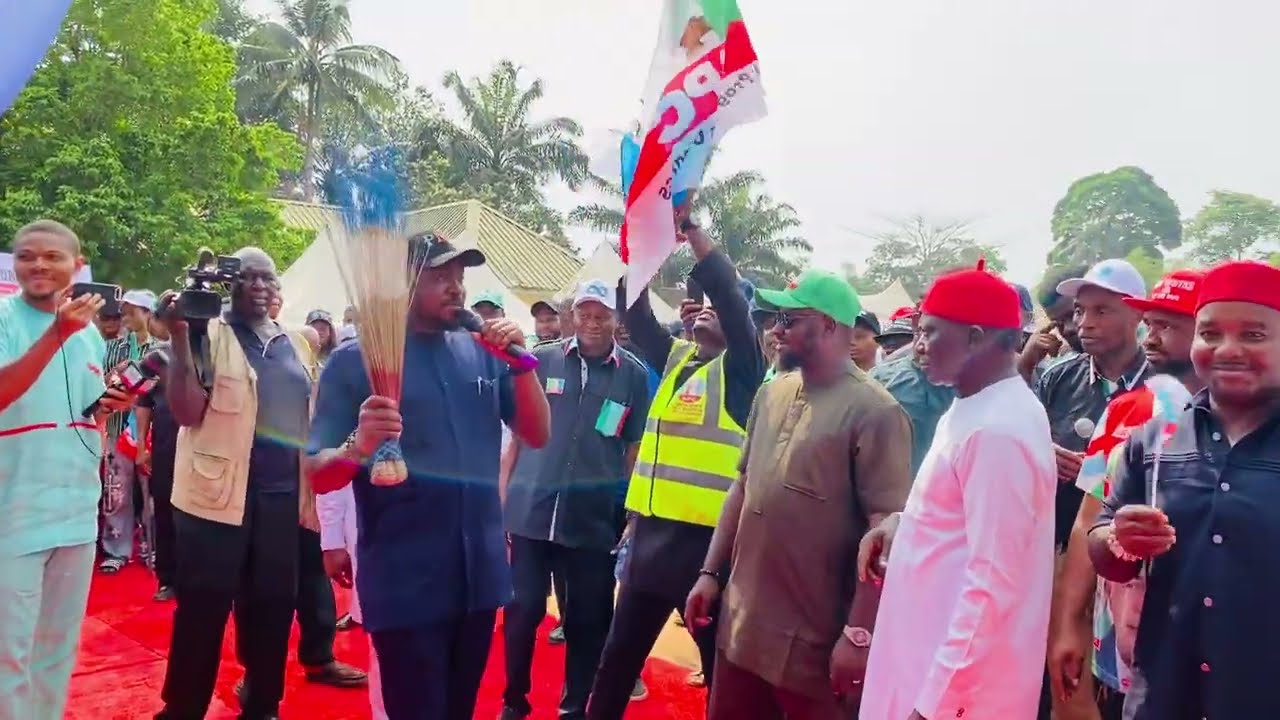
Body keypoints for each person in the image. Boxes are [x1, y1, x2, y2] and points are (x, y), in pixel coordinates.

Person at [306, 233, 551, 720]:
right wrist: (360, 446)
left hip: (478, 579)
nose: (456, 288)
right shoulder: (355, 361)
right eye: (439, 277)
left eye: (459, 276)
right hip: (407, 584)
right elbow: (316, 475)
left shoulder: (482, 351)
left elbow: (538, 434)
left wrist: (523, 367)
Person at [685, 269, 913, 720]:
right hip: (742, 629)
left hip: (814, 644)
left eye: (790, 320)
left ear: (829, 325)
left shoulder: (877, 412)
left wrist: (859, 634)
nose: (776, 330)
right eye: (777, 319)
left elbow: (886, 532)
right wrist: (710, 573)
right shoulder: (772, 394)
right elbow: (742, 486)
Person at [858, 260, 1057, 720]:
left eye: (929, 332)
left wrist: (933, 705)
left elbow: (993, 587)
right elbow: (962, 522)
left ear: (975, 336)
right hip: (923, 657)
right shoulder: (973, 406)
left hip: (956, 691)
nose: (917, 348)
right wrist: (900, 526)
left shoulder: (998, 429)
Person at [588, 219, 764, 719]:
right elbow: (637, 315)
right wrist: (644, 250)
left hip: (707, 554)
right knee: (616, 663)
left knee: (720, 680)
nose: (707, 310)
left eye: (718, 309)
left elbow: (729, 295)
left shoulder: (743, 371)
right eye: (699, 305)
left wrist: (697, 237)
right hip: (650, 545)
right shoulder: (678, 359)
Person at [1089, 260, 1280, 719]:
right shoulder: (1152, 441)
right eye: (1210, 333)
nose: (1228, 349)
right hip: (1165, 697)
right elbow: (1102, 545)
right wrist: (1119, 539)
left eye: (1254, 335)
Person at [155, 247, 319, 720]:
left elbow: (307, 416)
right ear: (231, 284)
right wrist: (182, 337)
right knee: (203, 608)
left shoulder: (296, 342)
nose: (261, 287)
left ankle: (263, 700)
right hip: (215, 497)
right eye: (248, 278)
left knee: (273, 604)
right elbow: (187, 413)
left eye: (268, 278)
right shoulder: (210, 332)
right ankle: (182, 706)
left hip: (280, 496)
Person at [1049, 270, 1203, 719]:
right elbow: (1087, 523)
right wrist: (1068, 625)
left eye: (1170, 326)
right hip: (1127, 643)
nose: (1152, 337)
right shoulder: (1126, 412)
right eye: (1151, 324)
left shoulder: (1251, 421)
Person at [0, 219, 137, 719]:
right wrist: (56, 334)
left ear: (76, 267)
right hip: (12, 515)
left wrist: (107, 405)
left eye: (51, 256)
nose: (38, 264)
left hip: (76, 512)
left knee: (56, 650)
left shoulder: (89, 341)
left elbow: (83, 415)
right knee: (7, 655)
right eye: (26, 255)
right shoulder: (5, 318)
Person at [500, 279, 652, 720]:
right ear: (572, 317)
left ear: (615, 320)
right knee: (523, 609)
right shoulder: (541, 360)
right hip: (530, 511)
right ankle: (514, 701)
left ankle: (574, 708)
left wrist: (629, 511)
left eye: (601, 314)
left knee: (588, 620)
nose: (592, 322)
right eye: (584, 313)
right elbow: (516, 439)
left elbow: (633, 449)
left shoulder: (634, 376)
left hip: (593, 519)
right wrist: (501, 497)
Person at [1033, 259, 1149, 719]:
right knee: (1068, 681)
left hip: (1131, 566)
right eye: (1080, 311)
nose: (1085, 322)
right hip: (1065, 548)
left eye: (1101, 310)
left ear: (1136, 315)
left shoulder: (1163, 386)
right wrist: (1046, 457)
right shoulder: (1058, 378)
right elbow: (1028, 446)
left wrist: (1105, 471)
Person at [99, 288, 158, 573]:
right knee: (116, 491)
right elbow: (99, 378)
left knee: (152, 494)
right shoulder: (112, 348)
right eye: (125, 310)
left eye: (132, 310)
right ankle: (116, 549)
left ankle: (153, 548)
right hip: (114, 428)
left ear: (148, 312)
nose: (126, 315)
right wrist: (111, 380)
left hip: (149, 432)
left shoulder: (161, 349)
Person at [135, 303, 179, 601]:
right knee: (165, 512)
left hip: (205, 450)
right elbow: (142, 403)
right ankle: (168, 579)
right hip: (165, 446)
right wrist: (141, 445)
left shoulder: (212, 354)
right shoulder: (156, 357)